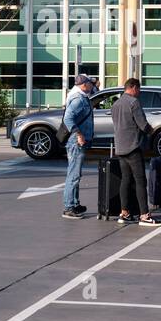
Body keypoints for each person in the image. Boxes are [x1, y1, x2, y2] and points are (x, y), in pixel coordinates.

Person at [110, 77, 161, 227]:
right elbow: (142, 124)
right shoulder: (134, 103)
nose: (139, 92)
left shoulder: (116, 104)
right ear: (133, 88)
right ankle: (144, 215)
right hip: (133, 147)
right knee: (140, 181)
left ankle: (124, 213)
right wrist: (152, 131)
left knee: (125, 180)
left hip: (120, 147)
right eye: (138, 89)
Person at [62, 74, 95, 220]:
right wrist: (79, 134)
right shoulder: (78, 99)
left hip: (77, 141)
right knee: (73, 175)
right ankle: (69, 207)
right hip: (76, 142)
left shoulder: (81, 95)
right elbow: (67, 118)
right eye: (90, 83)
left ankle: (75, 204)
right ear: (84, 85)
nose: (92, 86)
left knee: (76, 174)